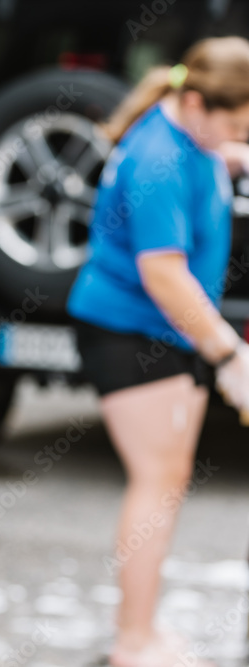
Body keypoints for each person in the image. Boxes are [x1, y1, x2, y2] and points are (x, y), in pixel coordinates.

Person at [67, 36, 249, 667]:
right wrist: (229, 356)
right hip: (133, 334)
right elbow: (164, 274)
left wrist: (230, 156)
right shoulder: (159, 160)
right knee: (157, 483)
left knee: (167, 483)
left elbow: (210, 155)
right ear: (196, 102)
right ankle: (132, 641)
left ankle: (140, 630)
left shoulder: (189, 138)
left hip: (162, 334)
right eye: (233, 124)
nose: (235, 136)